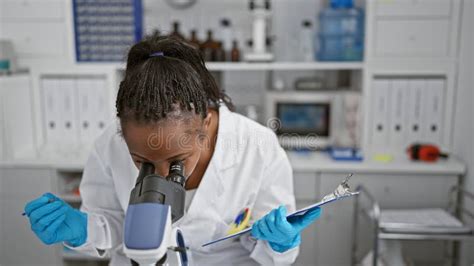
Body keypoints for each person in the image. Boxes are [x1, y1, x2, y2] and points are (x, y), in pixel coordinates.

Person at [23, 34, 321, 265]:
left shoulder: (257, 147)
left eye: (177, 161)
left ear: (205, 124)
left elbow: (271, 253)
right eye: (142, 163)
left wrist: (279, 242)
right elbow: (110, 226)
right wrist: (83, 229)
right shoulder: (110, 145)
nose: (163, 177)